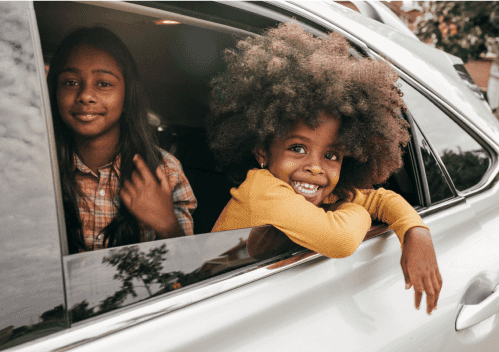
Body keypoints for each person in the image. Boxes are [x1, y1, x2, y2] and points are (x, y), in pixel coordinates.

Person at [207, 23, 441, 314]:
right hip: (210, 308)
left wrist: (415, 231)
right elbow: (339, 240)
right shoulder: (262, 189)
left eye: (332, 154)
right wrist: (353, 208)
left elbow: (381, 199)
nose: (316, 168)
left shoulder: (319, 191)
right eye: (297, 148)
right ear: (262, 153)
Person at [47, 27, 197, 254]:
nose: (86, 95)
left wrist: (166, 223)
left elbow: (187, 270)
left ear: (127, 97)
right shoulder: (36, 166)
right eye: (70, 82)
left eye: (104, 84)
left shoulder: (165, 171)